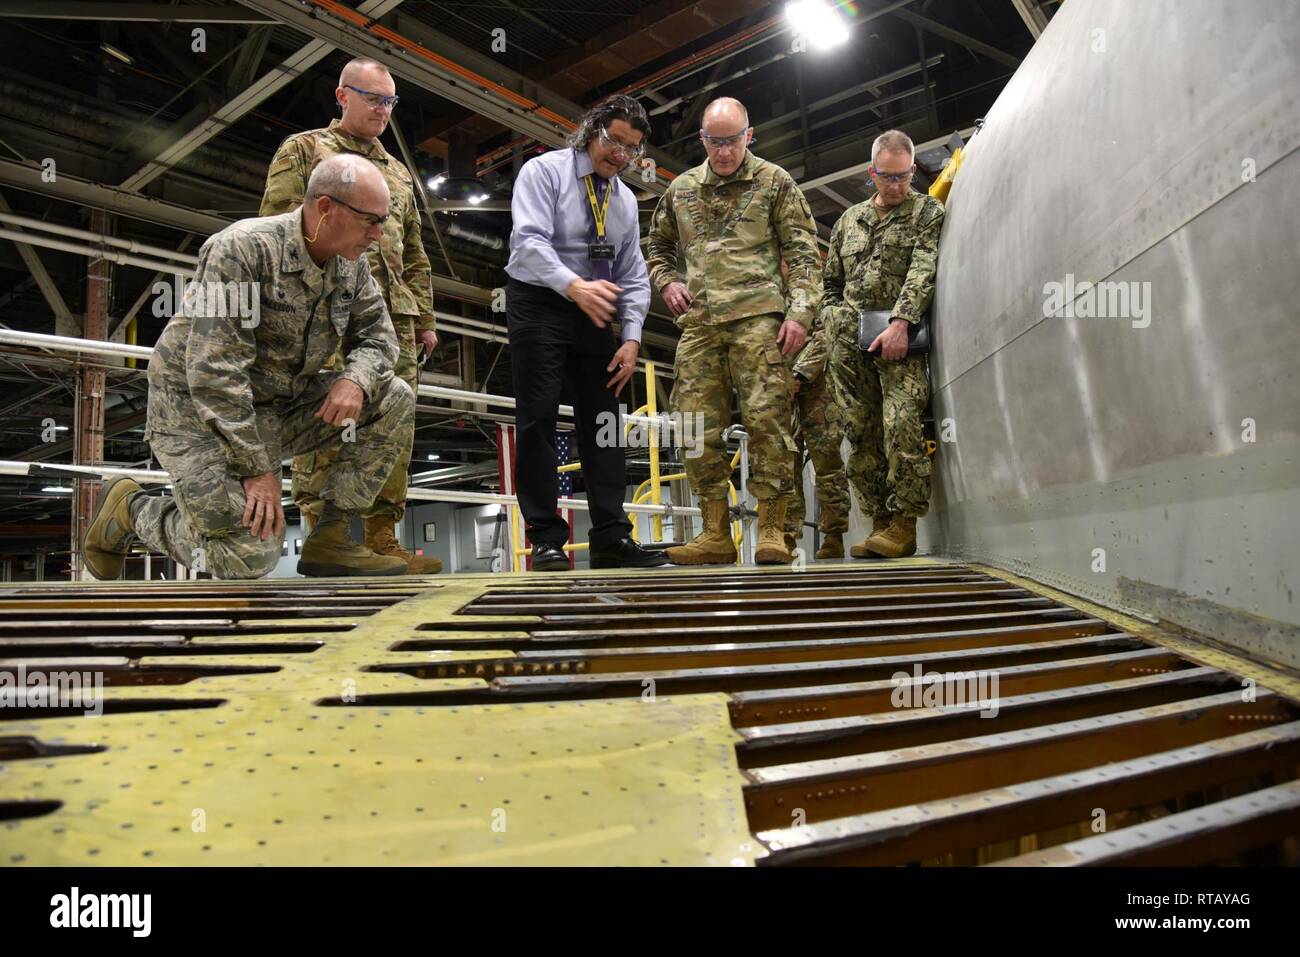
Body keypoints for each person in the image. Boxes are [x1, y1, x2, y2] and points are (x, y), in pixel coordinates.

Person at [82, 155, 413, 580]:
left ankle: (332, 537)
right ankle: (133, 511)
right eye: (370, 220)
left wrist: (355, 377)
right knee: (250, 555)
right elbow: (215, 372)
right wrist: (257, 469)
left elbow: (380, 338)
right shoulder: (242, 249)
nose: (378, 234)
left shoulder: (351, 263)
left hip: (275, 409)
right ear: (326, 207)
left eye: (382, 221)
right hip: (197, 417)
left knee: (393, 396)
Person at [260, 56, 440, 574]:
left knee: (394, 429)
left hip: (395, 322)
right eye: (372, 98)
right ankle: (325, 539)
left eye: (390, 102)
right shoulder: (305, 150)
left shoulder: (398, 173)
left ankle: (382, 541)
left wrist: (423, 318)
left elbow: (414, 249)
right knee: (332, 424)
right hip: (330, 315)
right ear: (342, 96)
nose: (383, 110)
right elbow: (279, 231)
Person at [645, 97, 821, 565]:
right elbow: (657, 246)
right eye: (714, 141)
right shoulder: (680, 189)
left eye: (732, 140)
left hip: (760, 321)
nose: (723, 151)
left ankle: (772, 532)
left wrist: (800, 315)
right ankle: (715, 533)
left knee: (768, 425)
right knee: (693, 427)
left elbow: (804, 255)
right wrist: (667, 282)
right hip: (700, 326)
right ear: (702, 139)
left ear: (750, 135)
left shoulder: (775, 182)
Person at [504, 95, 666, 571]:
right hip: (540, 299)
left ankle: (612, 537)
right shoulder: (544, 172)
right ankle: (546, 538)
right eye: (614, 141)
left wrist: (632, 337)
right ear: (591, 130)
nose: (620, 154)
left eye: (632, 149)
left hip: (594, 307)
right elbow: (528, 243)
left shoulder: (626, 201)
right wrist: (573, 286)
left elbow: (633, 274)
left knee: (606, 422)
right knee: (539, 416)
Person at [822, 130, 944, 558]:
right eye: (888, 177)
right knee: (861, 433)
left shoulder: (927, 211)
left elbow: (923, 265)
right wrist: (835, 323)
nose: (897, 185)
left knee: (901, 423)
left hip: (900, 343)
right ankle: (877, 524)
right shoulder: (848, 221)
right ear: (872, 172)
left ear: (912, 169)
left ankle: (904, 525)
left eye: (904, 176)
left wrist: (901, 321)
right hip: (850, 346)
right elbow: (831, 285)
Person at [786, 313, 850, 558]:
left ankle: (834, 536)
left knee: (828, 465)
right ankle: (786, 536)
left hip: (819, 391)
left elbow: (827, 334)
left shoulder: (813, 289)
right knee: (784, 466)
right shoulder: (766, 294)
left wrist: (798, 374)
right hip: (781, 392)